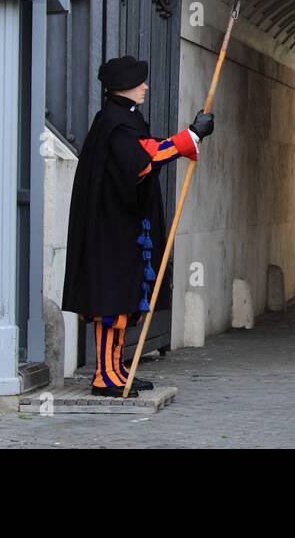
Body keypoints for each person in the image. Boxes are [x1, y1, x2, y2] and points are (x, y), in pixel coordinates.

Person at [62, 55, 216, 397]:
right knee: (111, 302)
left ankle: (116, 368)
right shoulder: (114, 123)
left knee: (125, 299)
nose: (146, 87)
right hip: (110, 229)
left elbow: (146, 152)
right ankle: (105, 375)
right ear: (125, 86)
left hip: (125, 225)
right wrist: (190, 137)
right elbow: (143, 158)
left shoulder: (124, 118)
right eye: (140, 82)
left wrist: (187, 139)